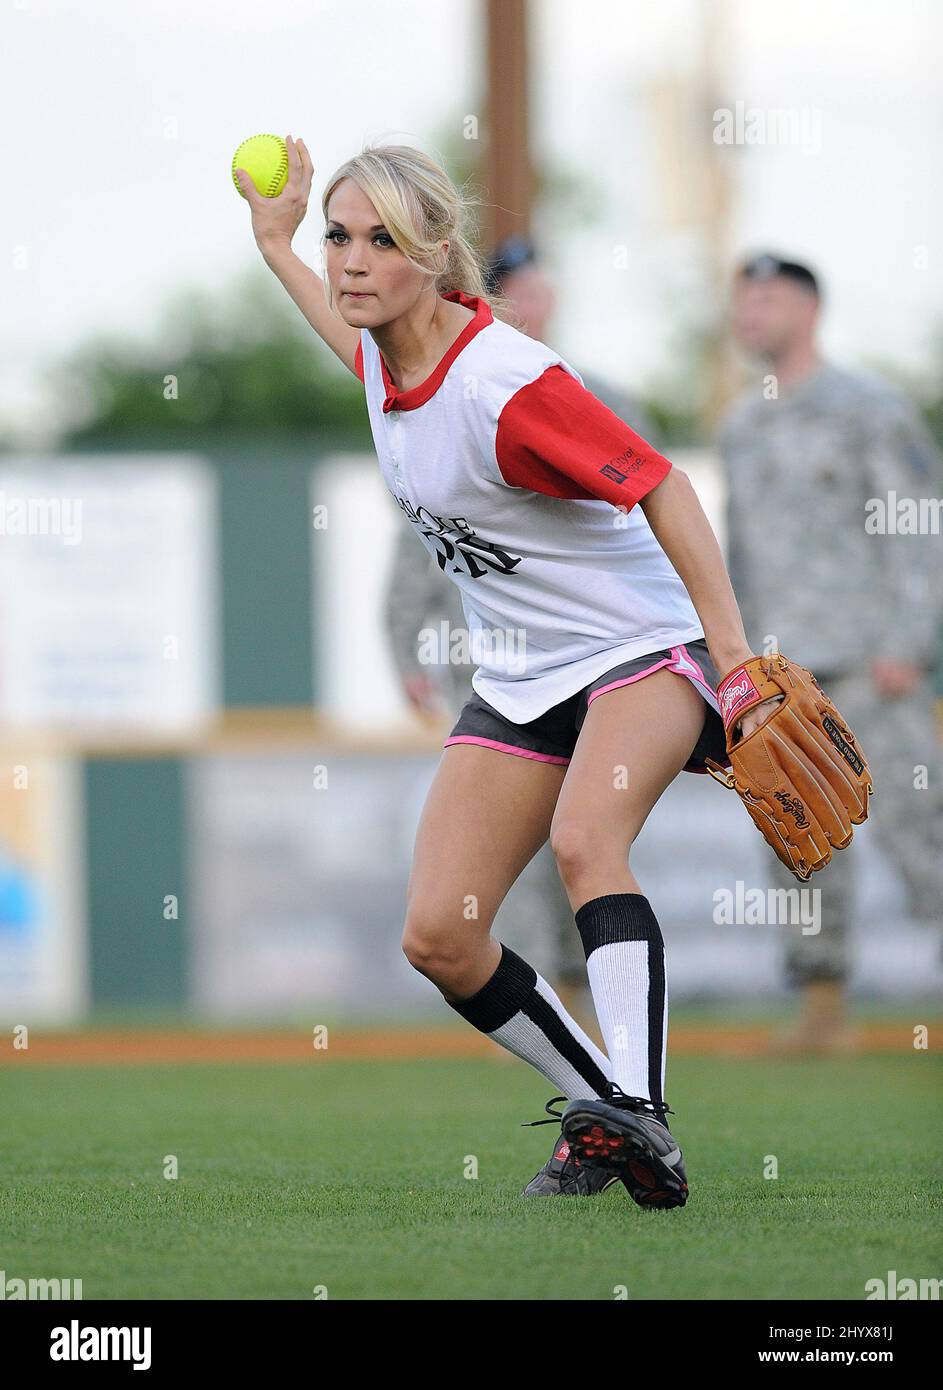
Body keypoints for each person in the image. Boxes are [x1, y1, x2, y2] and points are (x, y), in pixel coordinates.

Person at [236, 136, 779, 1208]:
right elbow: (340, 335)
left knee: (587, 838)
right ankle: (609, 1115)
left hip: (640, 648)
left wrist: (731, 662)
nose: (348, 261)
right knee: (439, 931)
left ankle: (644, 1108)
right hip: (526, 672)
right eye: (339, 237)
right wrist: (273, 240)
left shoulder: (507, 384)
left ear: (435, 255)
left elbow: (664, 486)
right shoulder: (384, 360)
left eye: (378, 240)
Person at [381, 234, 661, 1047]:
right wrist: (407, 651)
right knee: (499, 880)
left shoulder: (589, 392)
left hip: (611, 657)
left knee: (587, 843)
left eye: (535, 286)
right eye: (509, 290)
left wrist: (719, 649)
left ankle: (628, 1069)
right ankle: (562, 1024)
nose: (525, 302)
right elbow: (418, 543)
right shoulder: (424, 391)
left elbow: (657, 509)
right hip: (506, 668)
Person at [720, 253, 943, 1052]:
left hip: (868, 664)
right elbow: (735, 557)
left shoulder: (867, 409)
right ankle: (821, 1008)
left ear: (809, 309)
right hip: (783, 685)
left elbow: (916, 526)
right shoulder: (740, 425)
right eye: (743, 298)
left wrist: (905, 641)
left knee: (922, 824)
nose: (750, 312)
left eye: (768, 297)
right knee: (796, 844)